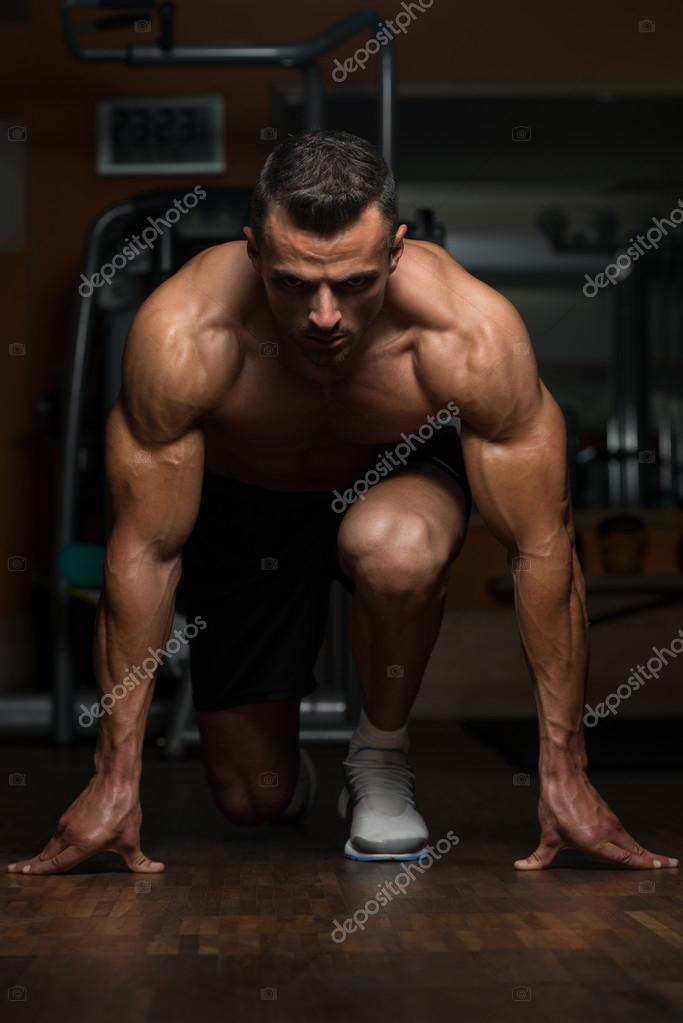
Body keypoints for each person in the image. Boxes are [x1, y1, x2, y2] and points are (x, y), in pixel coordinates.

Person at [8, 130, 677, 874]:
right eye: (295, 283)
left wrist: (567, 771)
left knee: (398, 550)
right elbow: (144, 550)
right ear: (254, 252)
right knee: (250, 797)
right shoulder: (183, 335)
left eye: (354, 283)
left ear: (396, 251)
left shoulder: (468, 333)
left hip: (396, 479)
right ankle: (288, 779)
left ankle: (380, 758)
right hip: (247, 508)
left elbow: (542, 546)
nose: (325, 315)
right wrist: (113, 776)